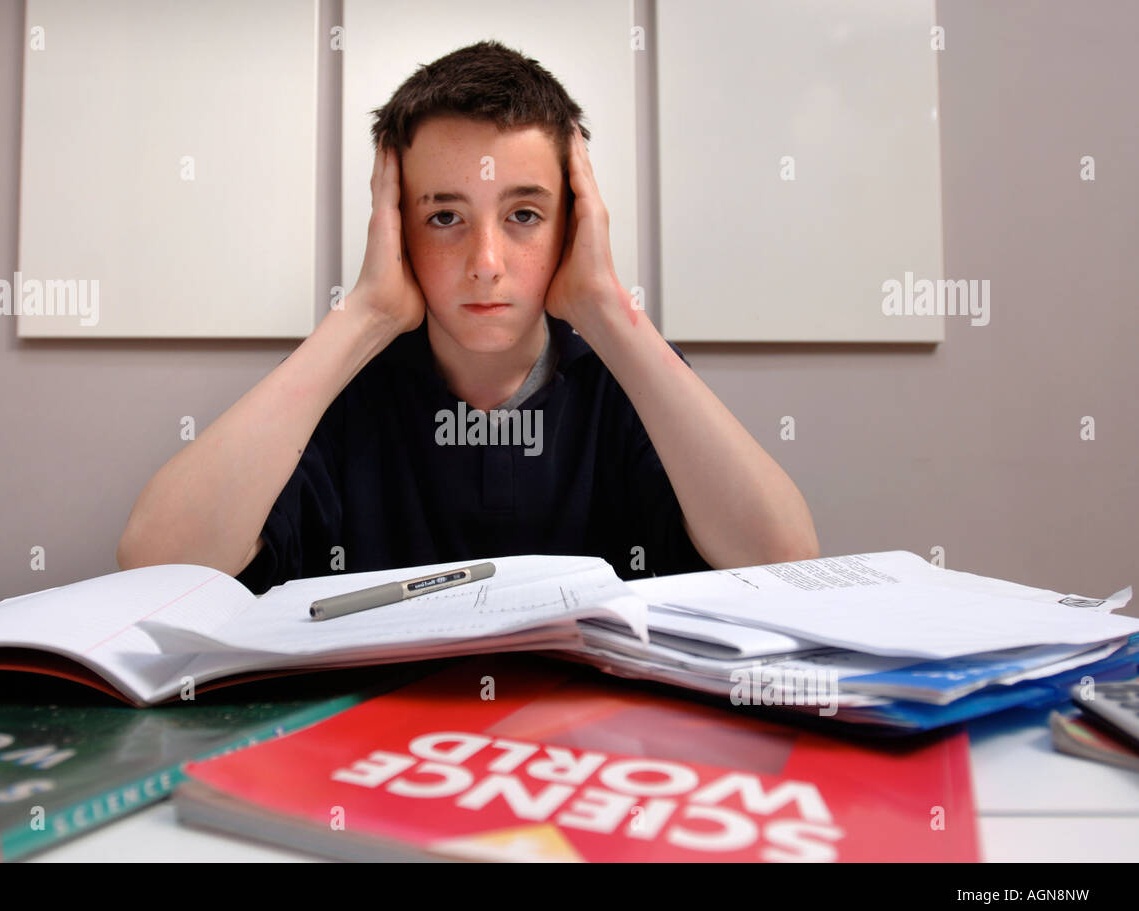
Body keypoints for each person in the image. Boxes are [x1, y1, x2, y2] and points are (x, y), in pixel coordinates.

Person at [116, 40, 819, 594]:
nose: (486, 261)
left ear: (571, 226)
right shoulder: (339, 387)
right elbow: (156, 565)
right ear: (396, 227)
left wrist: (606, 309)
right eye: (445, 216)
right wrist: (363, 313)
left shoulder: (626, 376)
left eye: (523, 215)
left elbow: (784, 562)